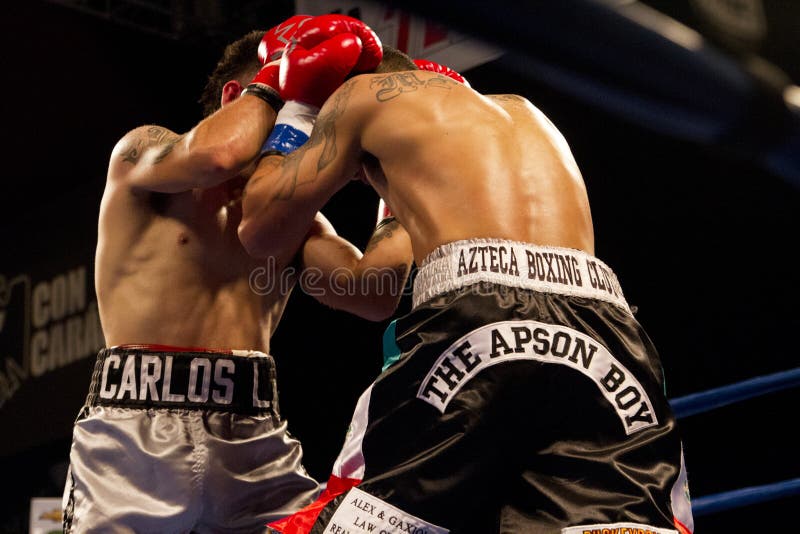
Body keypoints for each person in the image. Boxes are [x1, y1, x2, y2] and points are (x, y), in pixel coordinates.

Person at [238, 44, 695, 534]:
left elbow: (260, 227)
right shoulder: (521, 112)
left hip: (478, 315)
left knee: (363, 517)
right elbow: (374, 289)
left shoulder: (358, 95)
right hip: (607, 329)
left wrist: (297, 106)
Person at [61, 14, 411, 533]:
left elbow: (373, 292)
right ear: (235, 96)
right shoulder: (144, 155)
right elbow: (217, 153)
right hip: (134, 443)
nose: (309, 124)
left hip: (254, 441)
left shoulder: (290, 220)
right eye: (302, 104)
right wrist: (277, 81)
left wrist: (400, 179)